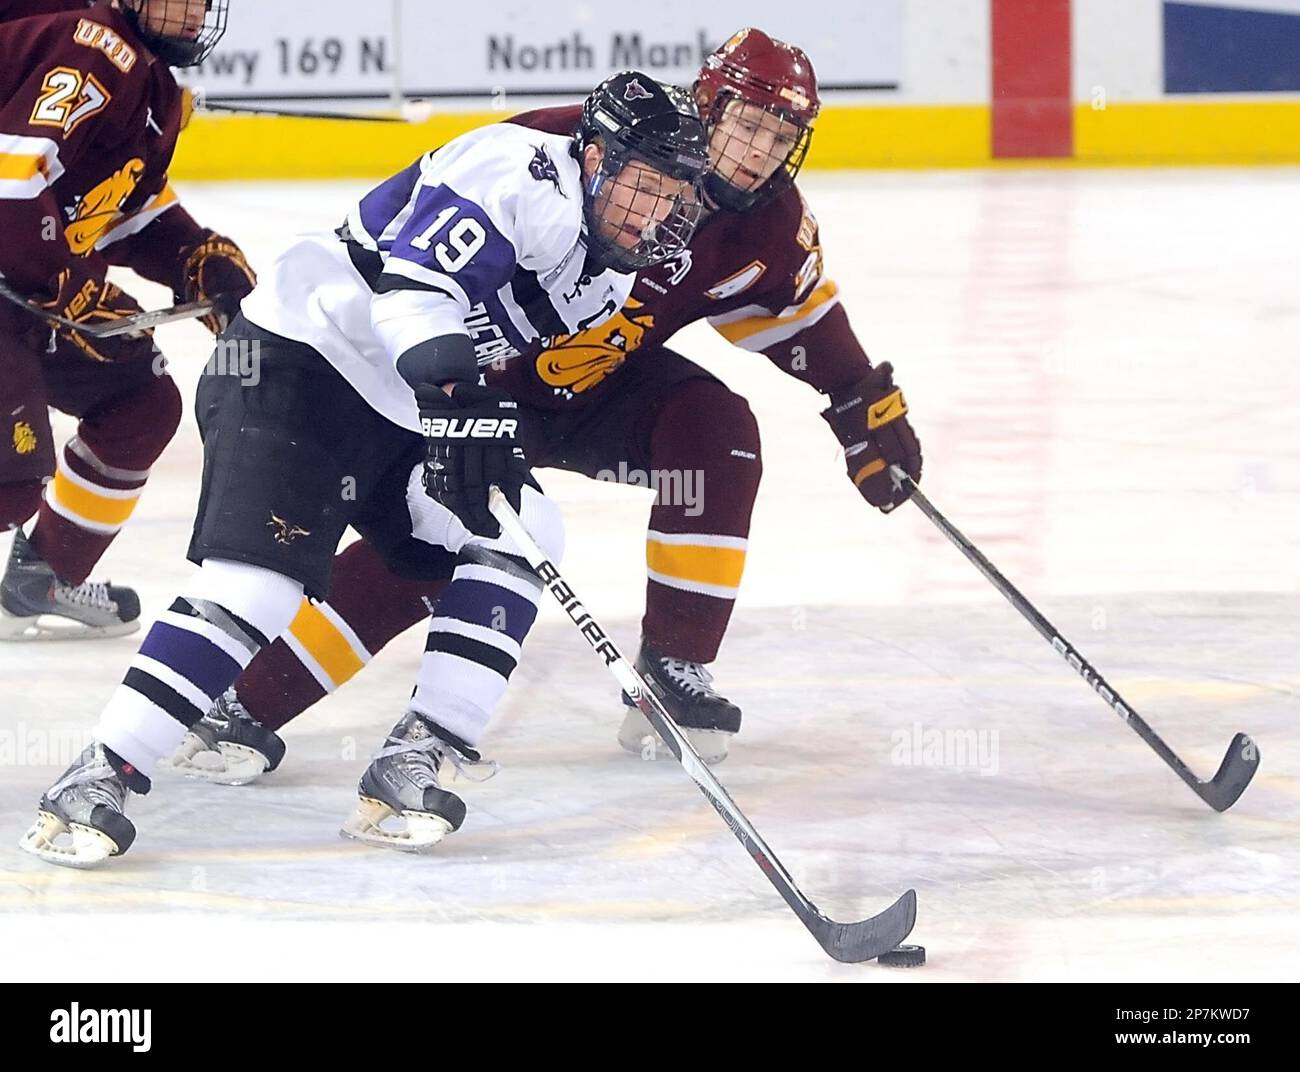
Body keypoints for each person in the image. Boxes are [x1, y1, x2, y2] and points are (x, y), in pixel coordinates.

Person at [173, 28, 923, 785]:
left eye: (782, 134)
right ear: (709, 102)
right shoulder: (575, 149)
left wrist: (860, 398)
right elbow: (426, 258)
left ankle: (675, 665)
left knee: (716, 434)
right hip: (477, 382)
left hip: (594, 387)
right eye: (750, 124)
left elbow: (797, 318)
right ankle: (247, 701)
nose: (762, 150)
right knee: (456, 540)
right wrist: (450, 392)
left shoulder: (767, 225)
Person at [18, 70, 710, 867]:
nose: (653, 213)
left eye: (671, 197)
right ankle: (98, 773)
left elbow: (484, 345)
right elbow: (413, 290)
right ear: (593, 156)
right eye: (642, 188)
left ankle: (418, 756)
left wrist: (471, 415)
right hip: (294, 360)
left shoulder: (611, 274)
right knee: (258, 586)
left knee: (524, 532)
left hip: (403, 401)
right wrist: (454, 395)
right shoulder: (518, 172)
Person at [0, 0, 255, 640]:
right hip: (14, 281)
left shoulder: (152, 88)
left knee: (138, 398)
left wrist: (193, 256)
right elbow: (11, 175)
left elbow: (122, 210)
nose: (198, 14)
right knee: (9, 483)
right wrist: (63, 282)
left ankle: (46, 575)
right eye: (183, 1)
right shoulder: (95, 49)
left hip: (23, 288)